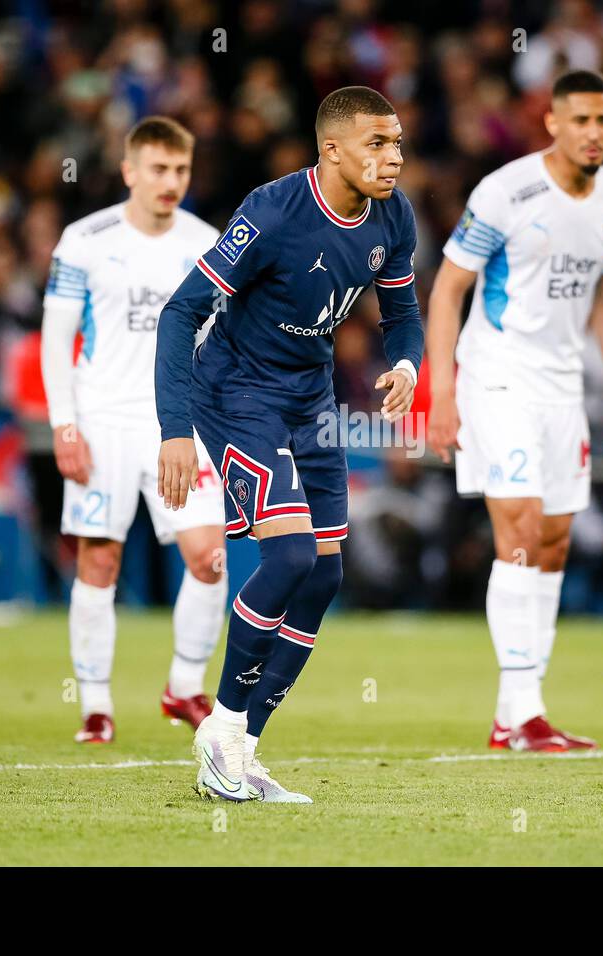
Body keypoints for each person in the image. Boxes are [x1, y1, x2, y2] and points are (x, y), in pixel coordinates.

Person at [156, 86, 423, 802]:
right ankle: (221, 726)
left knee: (325, 575)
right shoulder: (273, 211)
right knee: (292, 554)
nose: (393, 158)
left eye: (397, 143)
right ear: (331, 149)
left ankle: (242, 748)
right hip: (236, 393)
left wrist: (404, 366)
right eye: (377, 143)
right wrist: (174, 432)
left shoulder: (393, 216)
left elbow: (402, 313)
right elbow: (180, 313)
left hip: (311, 397)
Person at [426, 70, 603, 751]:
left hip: (561, 388)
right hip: (497, 377)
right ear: (552, 122)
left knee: (553, 543)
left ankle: (515, 711)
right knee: (517, 529)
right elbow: (446, 291)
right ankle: (525, 716)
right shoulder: (505, 191)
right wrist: (441, 392)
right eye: (579, 120)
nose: (593, 133)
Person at [41, 117, 228, 744]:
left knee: (210, 558)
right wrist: (65, 426)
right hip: (105, 420)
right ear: (129, 171)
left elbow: (216, 340)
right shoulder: (84, 240)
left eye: (180, 170)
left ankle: (184, 686)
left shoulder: (209, 242)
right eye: (157, 169)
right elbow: (56, 337)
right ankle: (95, 704)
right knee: (101, 560)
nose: (170, 182)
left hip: (179, 426)